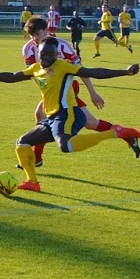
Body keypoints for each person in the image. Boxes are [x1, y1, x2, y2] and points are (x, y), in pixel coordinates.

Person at [0, 38, 140, 192]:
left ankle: (116, 132)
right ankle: (32, 182)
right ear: (38, 52)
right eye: (43, 53)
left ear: (56, 54)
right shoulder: (35, 68)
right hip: (52, 117)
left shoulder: (63, 66)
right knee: (22, 142)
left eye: (50, 54)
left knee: (65, 146)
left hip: (68, 113)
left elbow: (93, 72)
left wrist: (125, 72)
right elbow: (12, 77)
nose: (46, 57)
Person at [21, 16, 107, 168]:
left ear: (46, 30)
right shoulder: (28, 49)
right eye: (31, 35)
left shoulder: (61, 45)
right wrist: (45, 90)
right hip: (51, 90)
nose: (34, 38)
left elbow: (81, 69)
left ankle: (37, 157)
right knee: (91, 123)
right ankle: (123, 133)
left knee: (40, 114)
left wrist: (93, 93)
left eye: (37, 34)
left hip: (69, 87)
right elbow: (33, 74)